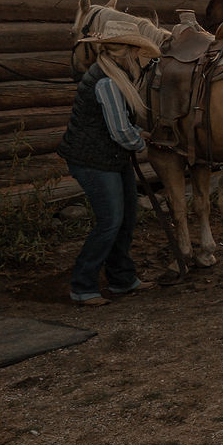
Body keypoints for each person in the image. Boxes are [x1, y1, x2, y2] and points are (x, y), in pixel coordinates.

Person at [56, 17, 162, 306]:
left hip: (110, 157)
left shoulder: (115, 75)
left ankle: (121, 279)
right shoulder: (106, 82)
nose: (140, 58)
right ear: (124, 51)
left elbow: (119, 127)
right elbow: (121, 134)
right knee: (110, 221)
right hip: (91, 160)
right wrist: (142, 141)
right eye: (136, 52)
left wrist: (137, 134)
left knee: (127, 216)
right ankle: (82, 285)